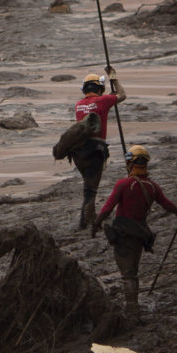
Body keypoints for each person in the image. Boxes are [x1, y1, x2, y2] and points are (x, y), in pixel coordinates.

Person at [95, 144, 177, 322]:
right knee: (133, 272)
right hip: (140, 235)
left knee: (127, 274)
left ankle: (132, 312)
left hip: (123, 235)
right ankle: (133, 307)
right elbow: (167, 205)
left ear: (130, 164)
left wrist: (97, 223)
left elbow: (108, 208)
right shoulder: (153, 187)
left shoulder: (124, 184)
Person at [67, 69, 122, 233]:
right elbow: (123, 95)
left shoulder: (79, 105)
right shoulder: (103, 101)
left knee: (88, 184)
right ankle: (86, 221)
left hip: (78, 152)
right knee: (91, 189)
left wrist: (109, 96)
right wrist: (115, 78)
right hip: (95, 151)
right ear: (100, 89)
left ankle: (87, 217)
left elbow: (97, 105)